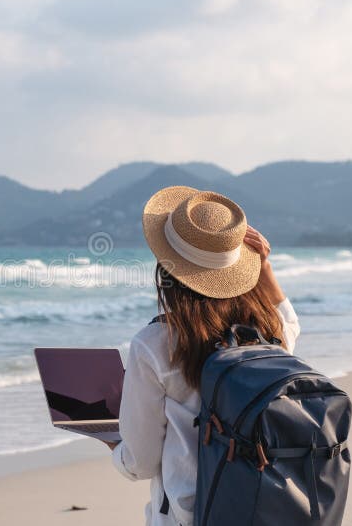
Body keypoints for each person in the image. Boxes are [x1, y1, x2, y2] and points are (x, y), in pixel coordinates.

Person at [109, 186, 301, 526]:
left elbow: (141, 462)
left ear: (167, 269)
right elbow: (290, 323)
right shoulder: (268, 333)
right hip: (264, 507)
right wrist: (264, 269)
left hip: (190, 516)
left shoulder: (156, 344)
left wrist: (114, 444)